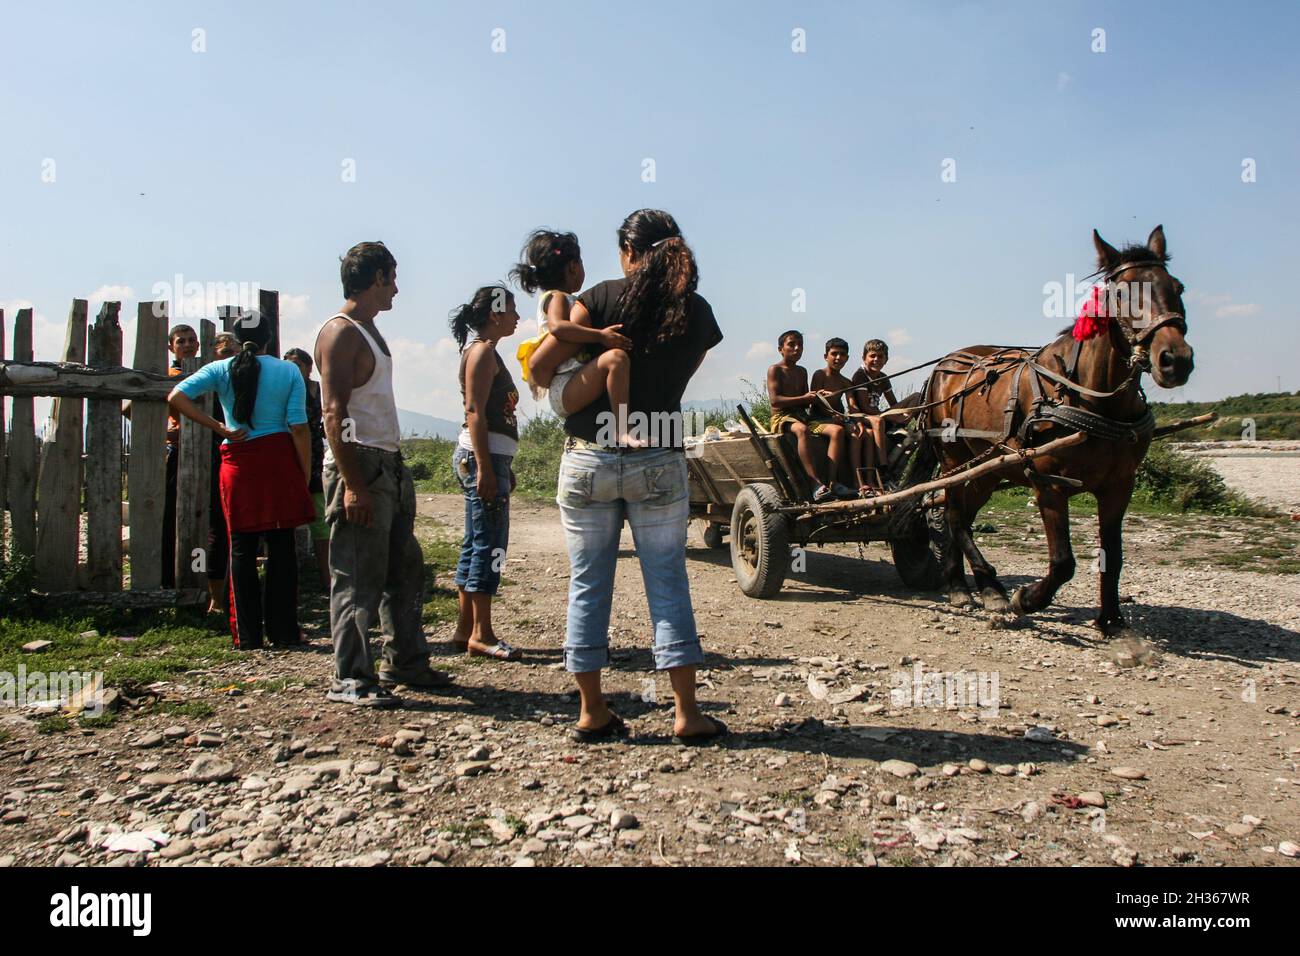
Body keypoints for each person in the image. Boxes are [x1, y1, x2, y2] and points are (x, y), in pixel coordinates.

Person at [559, 208, 727, 745]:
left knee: (588, 583)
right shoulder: (696, 313)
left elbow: (547, 366)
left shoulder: (598, 299)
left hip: (589, 454)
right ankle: (686, 714)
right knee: (668, 581)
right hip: (657, 453)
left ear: (630, 251)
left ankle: (592, 711)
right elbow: (679, 380)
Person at [314, 241, 449, 708]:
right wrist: (353, 484)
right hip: (361, 465)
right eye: (392, 277)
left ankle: (405, 661)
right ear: (377, 278)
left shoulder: (368, 330)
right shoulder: (341, 332)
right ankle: (350, 677)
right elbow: (333, 412)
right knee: (356, 575)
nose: (397, 287)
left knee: (405, 568)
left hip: (386, 463)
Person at [168, 313, 316, 650]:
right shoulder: (288, 370)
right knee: (282, 548)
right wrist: (303, 473)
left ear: (235, 337)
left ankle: (247, 636)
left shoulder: (220, 369)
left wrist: (219, 428)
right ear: (269, 338)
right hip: (278, 461)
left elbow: (176, 396)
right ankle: (284, 632)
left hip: (238, 461)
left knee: (241, 548)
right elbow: (299, 427)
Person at [510, 230, 639, 443]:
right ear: (573, 266)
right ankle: (623, 428)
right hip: (565, 386)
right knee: (615, 359)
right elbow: (558, 327)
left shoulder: (567, 298)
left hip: (570, 384)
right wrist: (600, 336)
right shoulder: (557, 297)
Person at [450, 286, 523, 661]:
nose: (516, 317)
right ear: (495, 313)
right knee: (490, 545)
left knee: (476, 541)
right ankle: (483, 633)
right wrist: (485, 469)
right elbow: (475, 412)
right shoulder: (480, 352)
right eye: (512, 310)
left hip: (491, 458)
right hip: (483, 457)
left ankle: (465, 629)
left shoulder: (485, 351)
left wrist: (500, 468)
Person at [767, 330, 854, 501]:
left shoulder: (802, 371)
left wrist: (818, 396)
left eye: (800, 345)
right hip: (782, 418)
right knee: (802, 430)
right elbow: (775, 401)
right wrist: (805, 398)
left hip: (802, 416)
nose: (797, 348)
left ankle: (832, 482)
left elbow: (805, 403)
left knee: (837, 431)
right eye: (791, 344)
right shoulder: (775, 370)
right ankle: (814, 482)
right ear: (780, 349)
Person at [284, 347, 330, 589]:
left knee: (320, 520)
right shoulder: (282, 389)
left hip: (313, 457)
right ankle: (291, 578)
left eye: (297, 364)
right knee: (285, 520)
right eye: (288, 364)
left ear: (308, 367)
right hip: (287, 456)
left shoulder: (316, 390)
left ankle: (327, 577)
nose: (292, 369)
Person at [203, 331, 239, 614]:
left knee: (238, 530)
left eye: (234, 352)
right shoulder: (208, 382)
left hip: (241, 462)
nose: (230, 358)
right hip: (206, 462)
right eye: (224, 353)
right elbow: (173, 399)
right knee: (214, 528)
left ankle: (234, 593)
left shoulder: (246, 381)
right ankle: (215, 597)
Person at [810, 337, 872, 496]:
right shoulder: (820, 375)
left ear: (847, 358)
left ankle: (858, 481)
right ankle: (832, 482)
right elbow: (816, 403)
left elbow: (852, 406)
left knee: (857, 434)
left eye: (842, 354)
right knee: (837, 431)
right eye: (834, 354)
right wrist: (839, 418)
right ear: (826, 356)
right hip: (815, 423)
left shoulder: (846, 382)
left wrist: (857, 422)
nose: (838, 358)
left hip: (836, 420)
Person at [846, 338, 899, 487]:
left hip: (877, 415)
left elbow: (894, 404)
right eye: (872, 356)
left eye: (880, 356)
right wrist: (886, 415)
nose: (876, 360)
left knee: (914, 397)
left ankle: (899, 426)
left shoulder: (883, 377)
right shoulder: (860, 376)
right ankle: (883, 466)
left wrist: (901, 415)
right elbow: (864, 407)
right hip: (861, 416)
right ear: (864, 358)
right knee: (878, 421)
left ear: (886, 360)